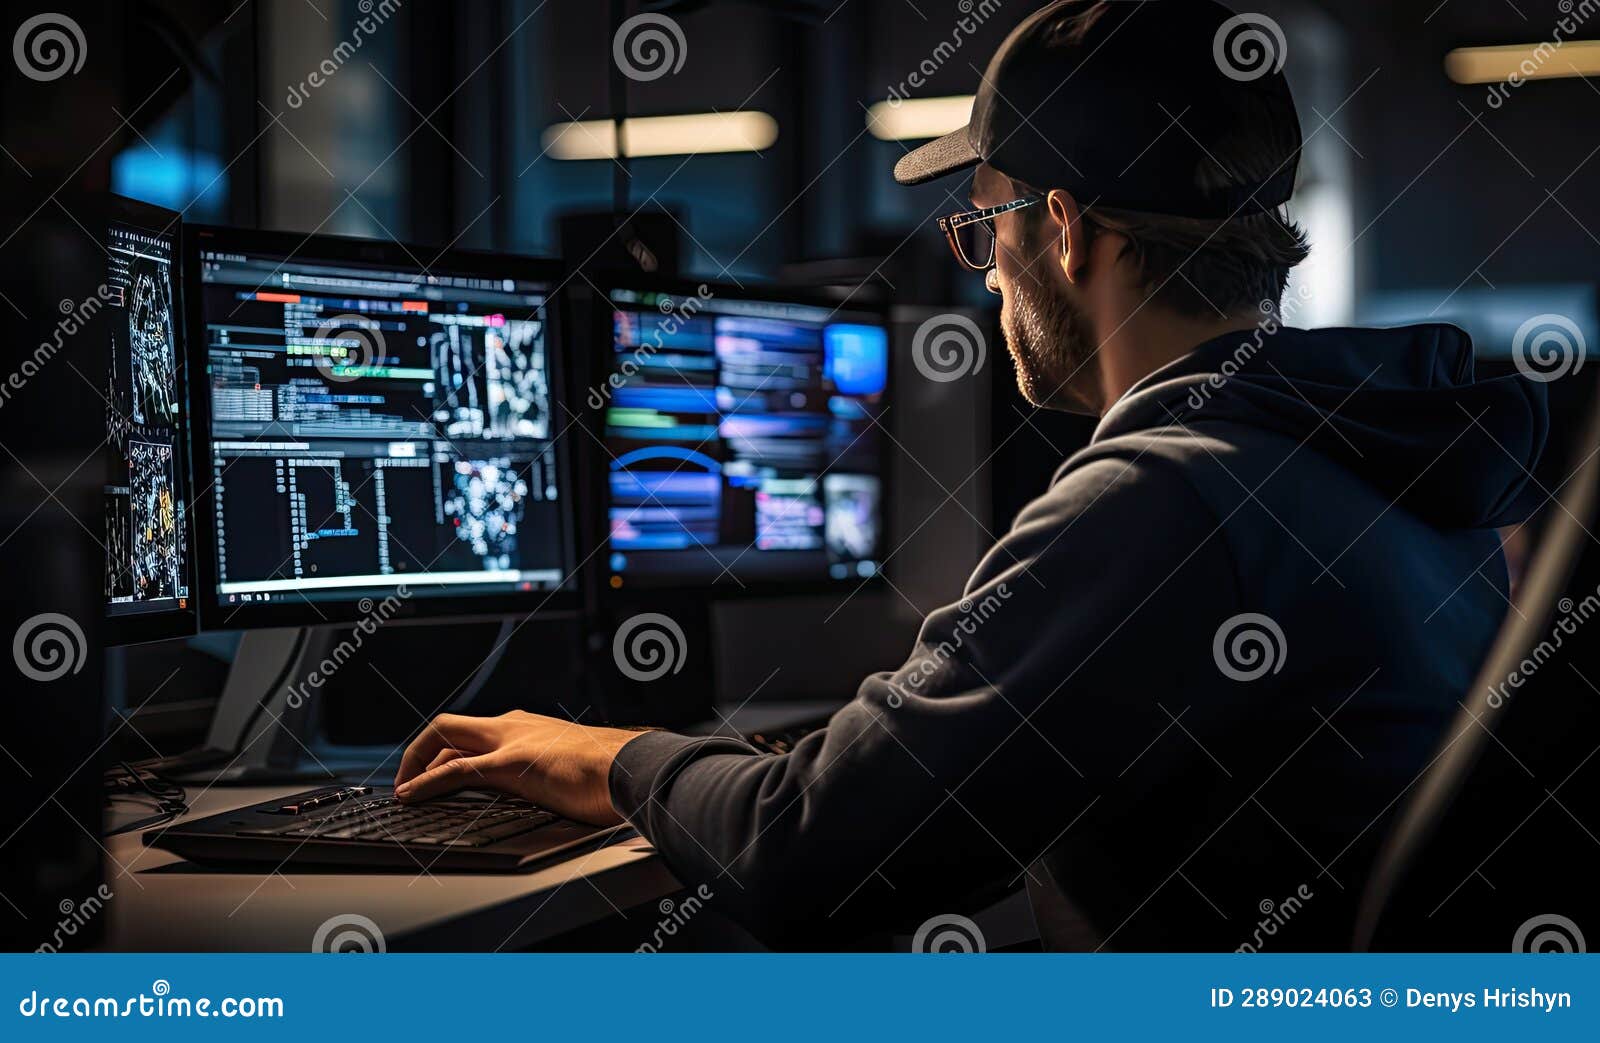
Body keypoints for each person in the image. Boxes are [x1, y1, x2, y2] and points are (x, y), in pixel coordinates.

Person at [395, 0, 1547, 950]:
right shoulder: (1372, 452)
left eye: (982, 223)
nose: (985, 278)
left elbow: (814, 852)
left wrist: (610, 754)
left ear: (1064, 232)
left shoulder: (1164, 497)